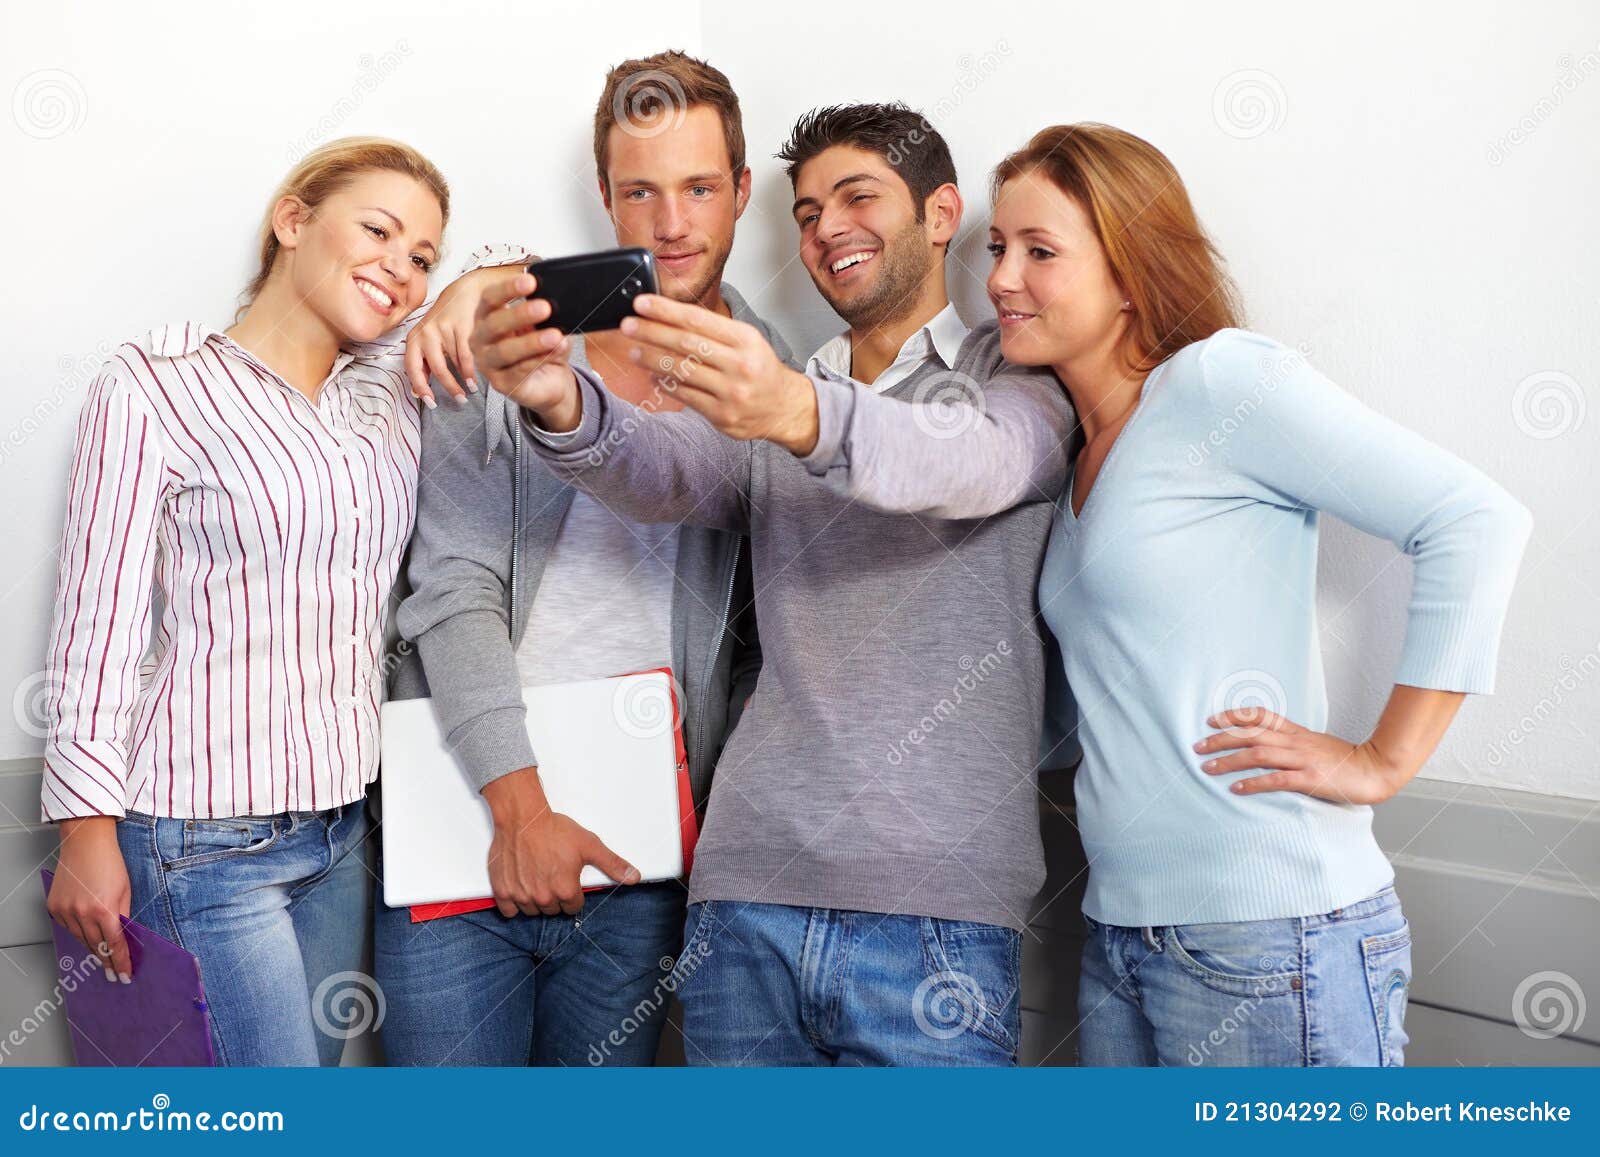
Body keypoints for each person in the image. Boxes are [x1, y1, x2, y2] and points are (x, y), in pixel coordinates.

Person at [620, 122, 1533, 1067]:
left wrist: (1381, 760)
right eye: (1002, 249)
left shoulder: (1221, 383)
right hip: (1122, 933)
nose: (1004, 277)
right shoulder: (1082, 447)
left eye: (1040, 253)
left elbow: (1475, 520)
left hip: (1274, 928)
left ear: (1131, 271)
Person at [470, 104, 1075, 1066]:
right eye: (805, 211)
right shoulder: (785, 388)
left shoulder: (1021, 381)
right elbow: (667, 469)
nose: (825, 226)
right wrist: (559, 399)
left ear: (939, 212)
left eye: (856, 196)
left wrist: (796, 411)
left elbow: (964, 464)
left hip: (934, 916)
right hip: (743, 894)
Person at [41, 136, 524, 1066]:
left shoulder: (391, 384)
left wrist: (466, 285)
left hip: (341, 831)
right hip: (196, 839)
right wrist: (84, 832)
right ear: (294, 220)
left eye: (423, 256)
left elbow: (528, 278)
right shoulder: (155, 387)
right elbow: (94, 626)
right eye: (378, 230)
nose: (402, 268)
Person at [373, 51, 780, 1067]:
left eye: (697, 188)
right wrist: (520, 809)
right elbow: (450, 584)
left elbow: (754, 640)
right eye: (639, 190)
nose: (670, 222)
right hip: (464, 829)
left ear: (739, 192)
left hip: (641, 857)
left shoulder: (772, 385)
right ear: (604, 196)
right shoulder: (509, 342)